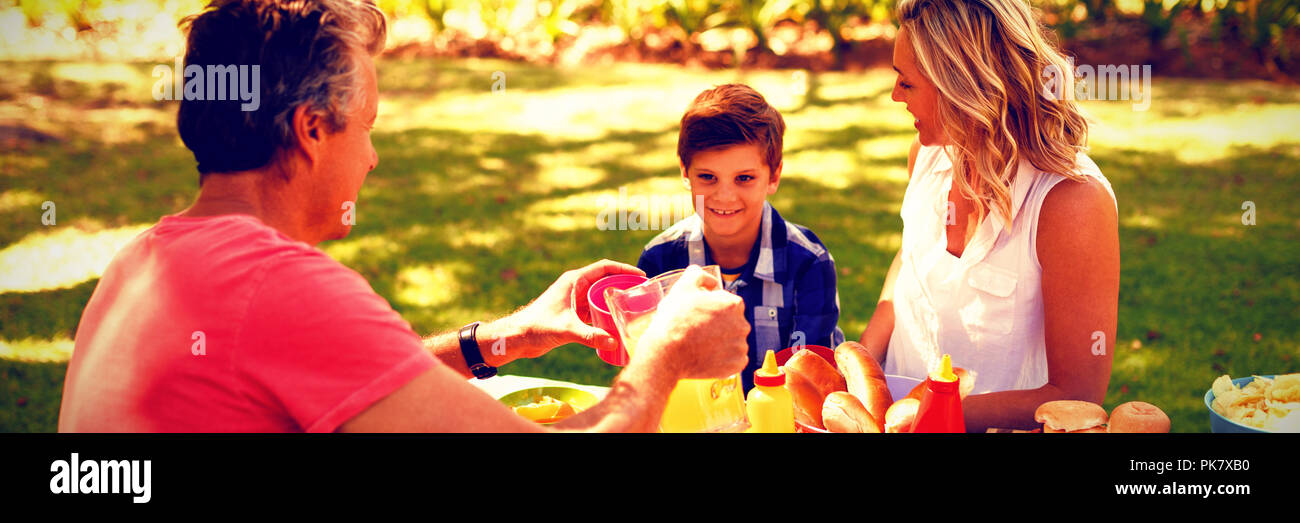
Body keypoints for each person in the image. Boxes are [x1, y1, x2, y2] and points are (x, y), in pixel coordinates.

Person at [57, 0, 750, 433]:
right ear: (311, 130)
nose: (374, 158)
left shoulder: (145, 260)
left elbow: (355, 387)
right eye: (366, 126)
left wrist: (506, 337)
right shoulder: (278, 285)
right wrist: (666, 354)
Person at [859, 0, 1120, 431]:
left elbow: (1078, 394)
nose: (894, 96)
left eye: (907, 83)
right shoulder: (927, 156)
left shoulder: (1070, 202)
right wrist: (865, 365)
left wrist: (933, 417)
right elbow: (911, 260)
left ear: (963, 87)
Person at [637, 84, 844, 393]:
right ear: (685, 172)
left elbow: (811, 380)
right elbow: (646, 374)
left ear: (773, 176)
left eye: (744, 178)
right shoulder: (660, 260)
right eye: (707, 177)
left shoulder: (809, 263)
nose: (725, 196)